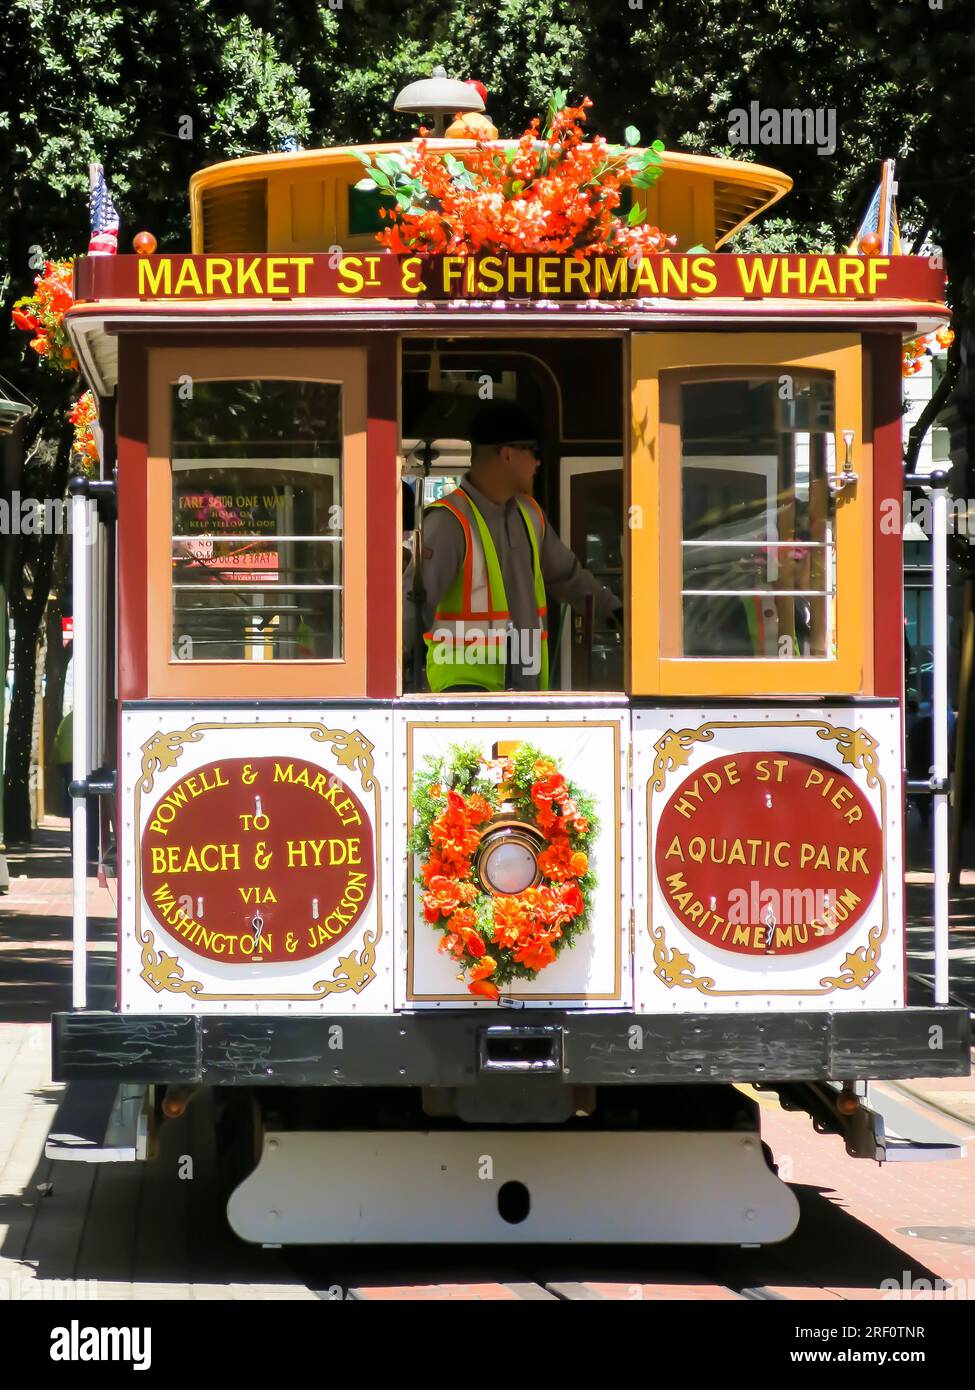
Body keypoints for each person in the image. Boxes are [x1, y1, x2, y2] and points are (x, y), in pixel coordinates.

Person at [405, 401, 622, 692]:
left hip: (525, 685)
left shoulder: (530, 514)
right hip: (464, 692)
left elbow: (568, 576)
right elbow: (412, 605)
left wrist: (616, 613)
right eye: (532, 452)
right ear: (507, 455)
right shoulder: (448, 522)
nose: (537, 462)